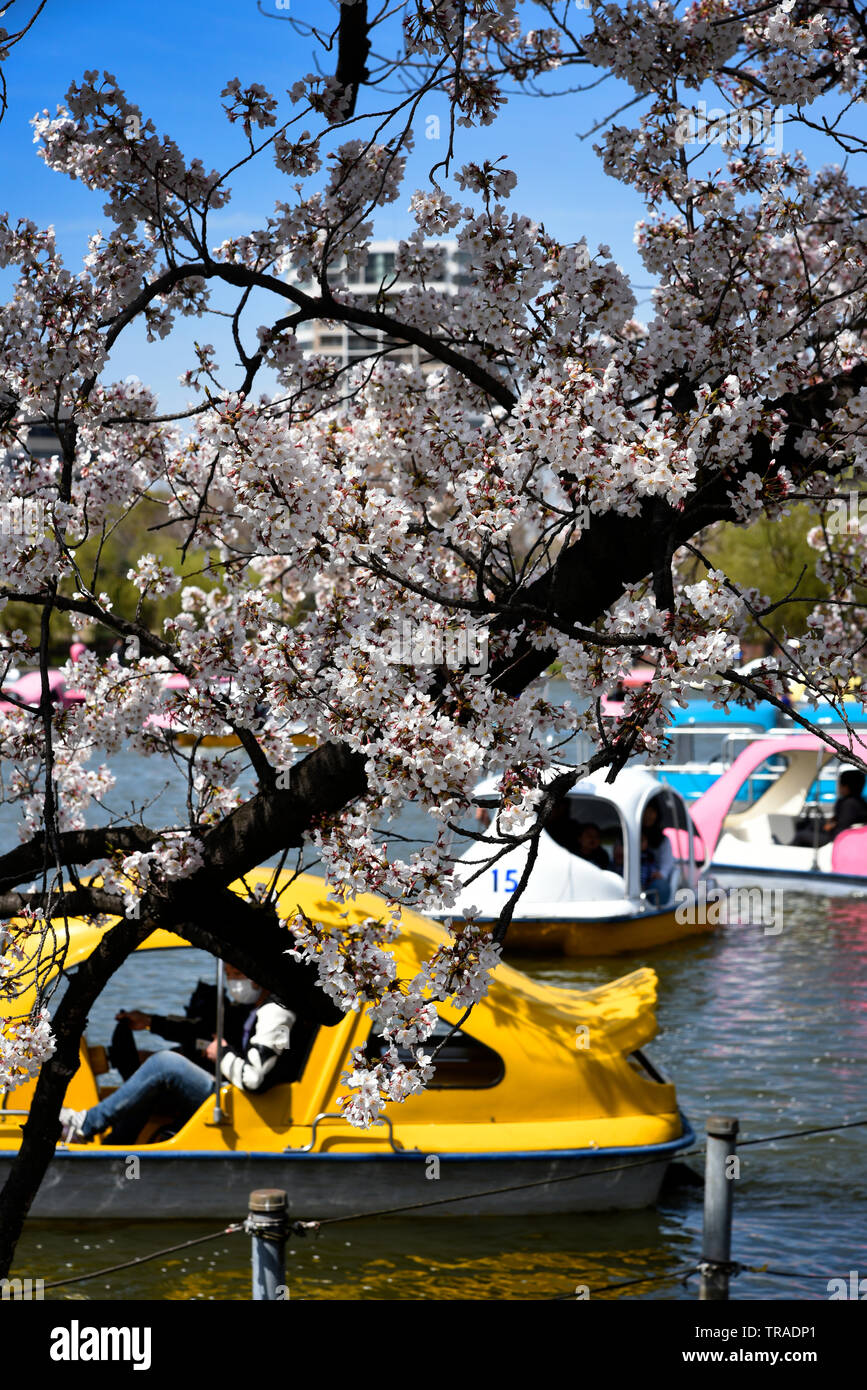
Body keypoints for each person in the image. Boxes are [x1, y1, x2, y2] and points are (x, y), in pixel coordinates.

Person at [59, 965, 295, 1145]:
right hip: (231, 1092)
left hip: (248, 1104)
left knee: (165, 1064)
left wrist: (222, 1054)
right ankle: (115, 1148)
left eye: (237, 975)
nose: (233, 983)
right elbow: (200, 1032)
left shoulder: (276, 1013)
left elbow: (254, 1078)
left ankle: (85, 1124)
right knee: (154, 1080)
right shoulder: (246, 1010)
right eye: (228, 975)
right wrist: (151, 1022)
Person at [793, 769, 867, 847]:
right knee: (812, 824)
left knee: (800, 836)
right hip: (838, 835)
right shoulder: (859, 802)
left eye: (840, 784)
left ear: (846, 787)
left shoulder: (849, 804)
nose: (839, 787)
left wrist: (829, 827)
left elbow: (841, 829)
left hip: (834, 840)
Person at [640, 801, 675, 903]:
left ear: (657, 814)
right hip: (634, 877)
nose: (648, 815)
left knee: (660, 888)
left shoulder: (663, 839)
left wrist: (659, 874)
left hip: (653, 878)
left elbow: (667, 865)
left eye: (652, 811)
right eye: (645, 811)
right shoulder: (629, 833)